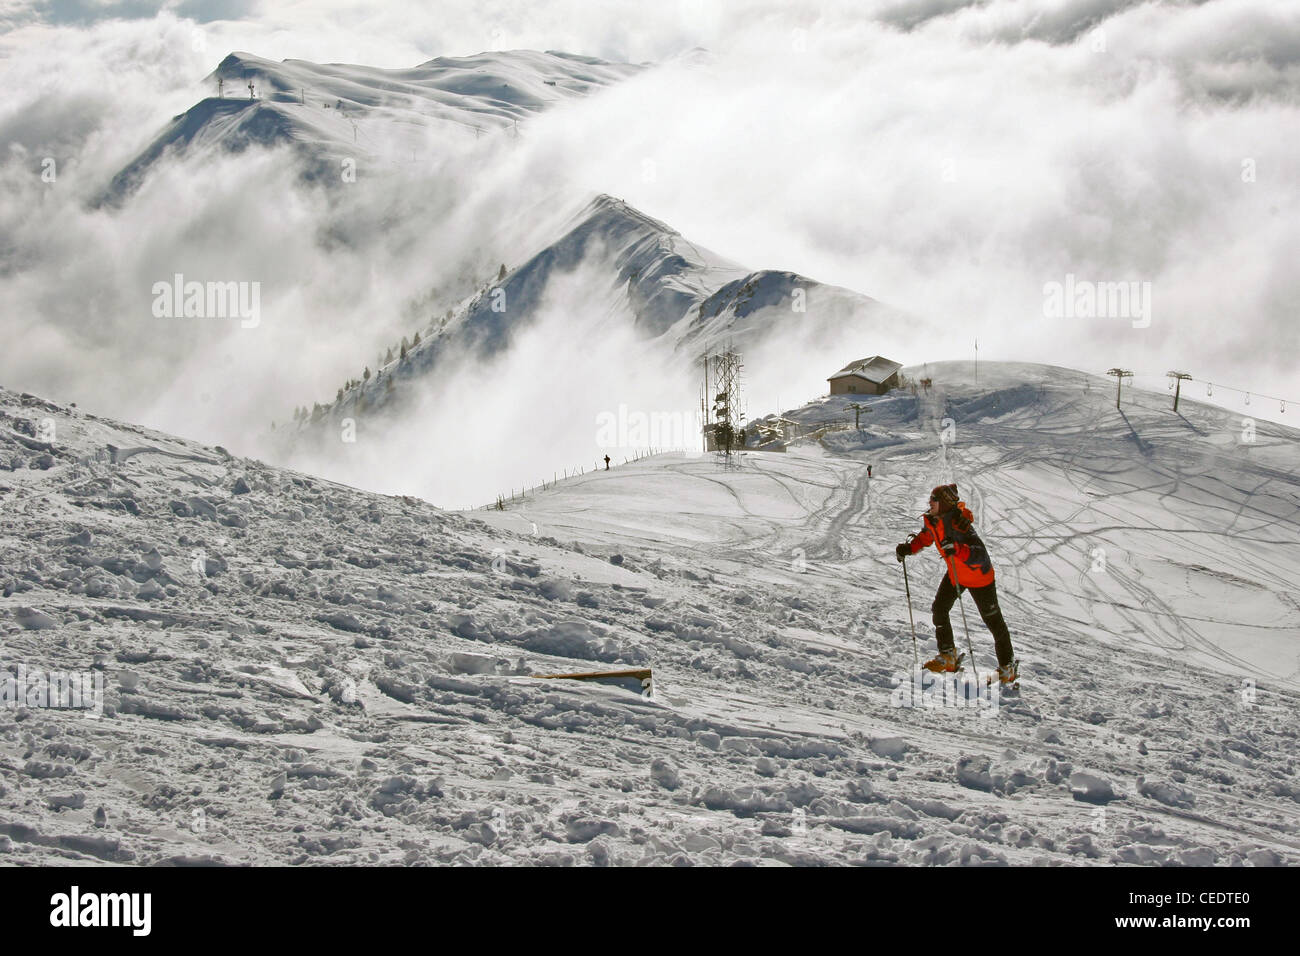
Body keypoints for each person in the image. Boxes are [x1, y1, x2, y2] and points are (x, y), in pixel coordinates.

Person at [895, 483, 1019, 685]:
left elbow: (979, 555)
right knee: (939, 609)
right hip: (956, 575)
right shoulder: (933, 521)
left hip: (979, 578)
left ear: (943, 503)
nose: (930, 502)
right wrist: (909, 548)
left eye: (934, 499)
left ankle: (1007, 668)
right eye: (931, 499)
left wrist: (957, 549)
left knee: (994, 622)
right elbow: (927, 537)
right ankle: (948, 657)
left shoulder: (959, 524)